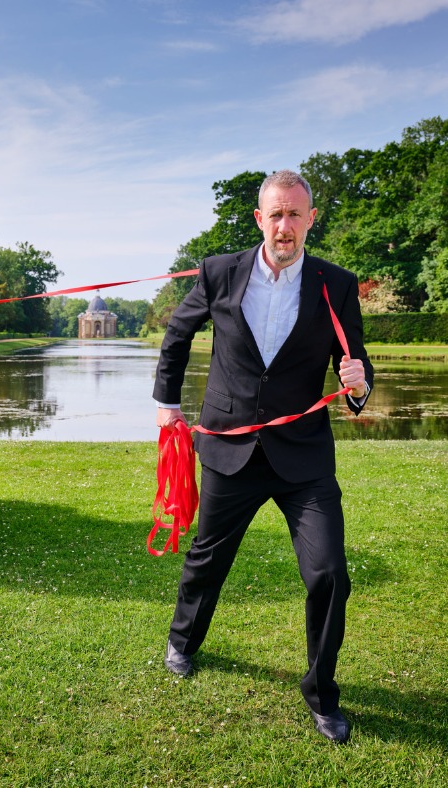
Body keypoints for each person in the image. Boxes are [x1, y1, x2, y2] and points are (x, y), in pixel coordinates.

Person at [152, 169, 373, 744]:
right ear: (259, 219)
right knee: (207, 558)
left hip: (304, 458)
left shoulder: (336, 284)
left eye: (295, 214)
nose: (285, 225)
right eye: (275, 214)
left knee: (330, 574)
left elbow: (357, 366)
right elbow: (177, 334)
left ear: (310, 220)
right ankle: (182, 641)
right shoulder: (219, 271)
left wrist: (359, 382)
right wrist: (166, 405)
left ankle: (322, 694)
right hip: (229, 447)